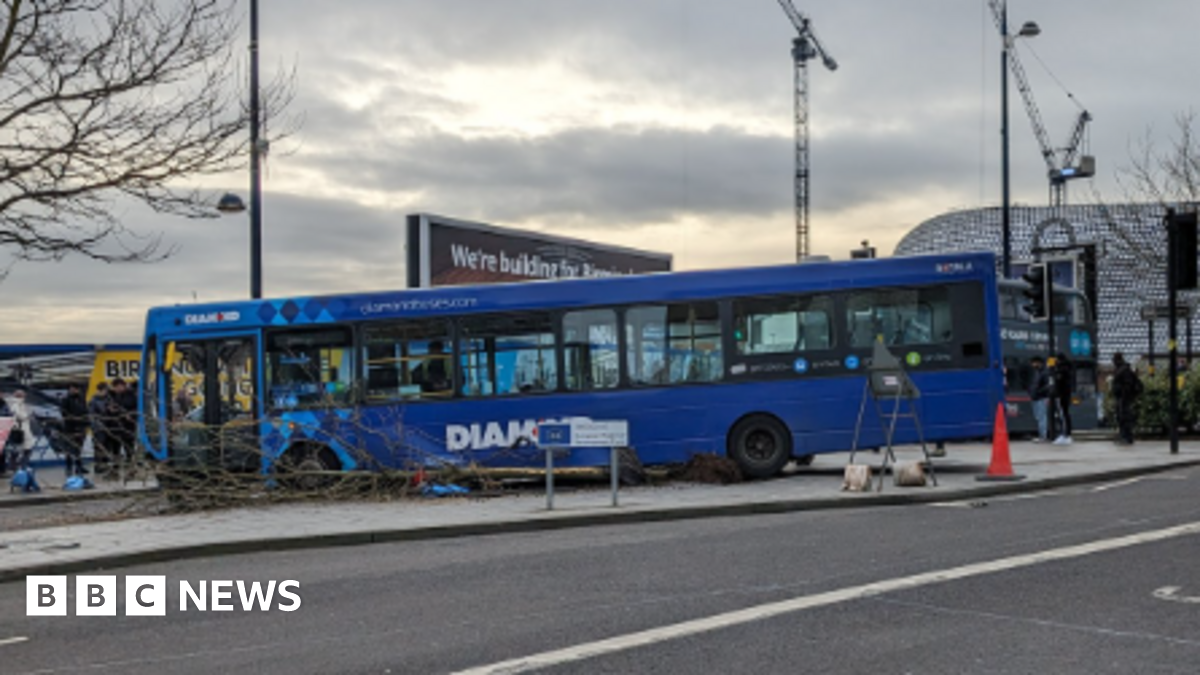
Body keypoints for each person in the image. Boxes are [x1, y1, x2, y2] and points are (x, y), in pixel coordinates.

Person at [1111, 352, 1142, 445]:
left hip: (1124, 397)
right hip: (1121, 397)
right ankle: (1124, 436)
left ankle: (1127, 437)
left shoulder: (1123, 370)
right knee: (1121, 417)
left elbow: (1127, 384)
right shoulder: (1121, 369)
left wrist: (1124, 395)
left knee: (1124, 417)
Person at [89, 383, 119, 475]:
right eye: (105, 390)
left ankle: (105, 465)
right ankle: (98, 466)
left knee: (107, 447)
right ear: (100, 390)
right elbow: (92, 415)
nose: (106, 392)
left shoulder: (108, 398)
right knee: (99, 447)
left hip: (108, 426)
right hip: (99, 428)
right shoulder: (93, 401)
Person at [61, 383, 90, 476]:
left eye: (76, 389)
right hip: (70, 427)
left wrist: (86, 423)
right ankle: (68, 467)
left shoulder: (81, 399)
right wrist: (73, 418)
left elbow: (85, 411)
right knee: (69, 449)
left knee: (78, 449)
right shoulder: (66, 399)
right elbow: (64, 413)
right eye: (72, 389)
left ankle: (79, 466)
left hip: (81, 427)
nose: (74, 391)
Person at [110, 378, 138, 465]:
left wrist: (131, 415)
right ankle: (116, 465)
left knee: (129, 446)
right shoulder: (113, 396)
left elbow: (137, 409)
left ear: (123, 386)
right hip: (116, 426)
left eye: (118, 387)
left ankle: (130, 464)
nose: (117, 389)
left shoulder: (132, 396)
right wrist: (111, 410)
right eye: (115, 387)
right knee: (115, 448)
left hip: (128, 426)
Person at [8, 390, 36, 472]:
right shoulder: (15, 405)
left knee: (23, 450)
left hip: (24, 430)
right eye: (23, 396)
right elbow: (19, 416)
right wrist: (28, 415)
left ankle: (18, 466)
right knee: (20, 450)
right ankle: (18, 466)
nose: (24, 397)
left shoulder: (21, 404)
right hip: (20, 430)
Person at [1028, 356, 1053, 442]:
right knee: (1038, 416)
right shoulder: (1038, 372)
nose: (1032, 364)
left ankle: (1043, 436)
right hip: (1036, 397)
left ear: (1038, 362)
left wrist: (1038, 392)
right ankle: (1042, 435)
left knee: (1042, 417)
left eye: (1033, 363)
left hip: (1041, 397)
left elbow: (1047, 386)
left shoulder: (1044, 373)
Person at [1052, 352, 1074, 445]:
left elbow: (1059, 383)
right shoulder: (1067, 369)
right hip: (1065, 394)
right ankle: (1065, 434)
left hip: (1062, 395)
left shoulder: (1061, 370)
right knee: (1064, 414)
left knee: (1063, 415)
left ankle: (1065, 434)